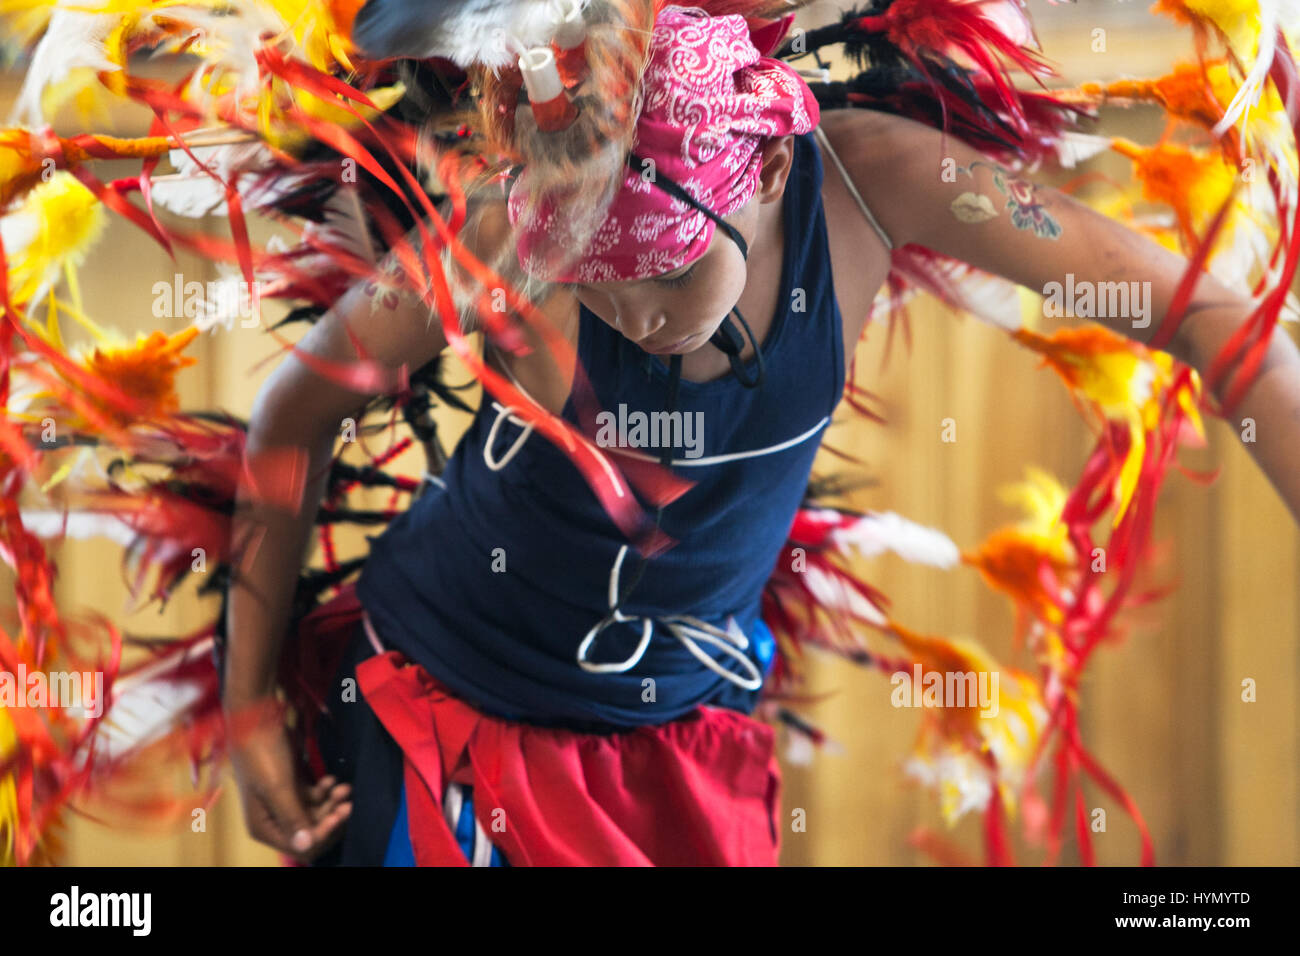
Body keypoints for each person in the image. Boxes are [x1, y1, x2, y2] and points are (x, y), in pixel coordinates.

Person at [221, 4, 1300, 866]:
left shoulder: (868, 188)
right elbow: (293, 412)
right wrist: (248, 706)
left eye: (675, 270)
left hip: (682, 745)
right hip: (446, 723)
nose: (642, 313)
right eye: (601, 287)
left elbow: (1211, 320)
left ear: (772, 171)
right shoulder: (505, 237)